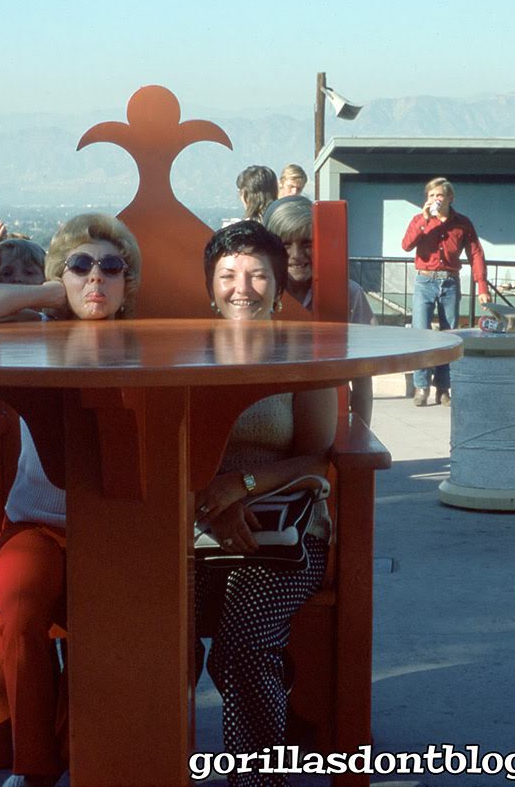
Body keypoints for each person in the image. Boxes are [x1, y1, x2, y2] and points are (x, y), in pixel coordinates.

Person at [0, 213, 142, 787]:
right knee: (20, 611)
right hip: (37, 523)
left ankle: (76, 751)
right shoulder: (35, 335)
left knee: (134, 624)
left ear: (128, 281)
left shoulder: (149, 342)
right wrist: (53, 291)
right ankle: (33, 767)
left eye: (111, 267)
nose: (96, 277)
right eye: (80, 266)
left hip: (118, 528)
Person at [194, 220, 337, 786]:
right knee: (150, 627)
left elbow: (316, 455)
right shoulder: (183, 355)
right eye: (228, 275)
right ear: (210, 287)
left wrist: (242, 485)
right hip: (195, 527)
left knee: (245, 643)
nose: (241, 288)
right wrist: (215, 502)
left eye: (257, 275)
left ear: (278, 288)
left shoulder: (303, 356)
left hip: (287, 534)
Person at [263, 195, 377, 424]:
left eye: (307, 243)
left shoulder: (349, 294)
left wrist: (361, 432)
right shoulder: (260, 294)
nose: (296, 255)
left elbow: (363, 376)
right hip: (272, 414)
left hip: (328, 416)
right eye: (286, 245)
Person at [400, 177, 491, 407]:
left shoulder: (462, 223)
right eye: (431, 195)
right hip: (425, 281)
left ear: (450, 198)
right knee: (421, 333)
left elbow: (476, 254)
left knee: (449, 335)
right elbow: (406, 245)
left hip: (450, 283)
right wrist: (424, 220)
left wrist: (482, 286)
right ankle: (421, 386)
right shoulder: (419, 220)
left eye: (439, 195)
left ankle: (443, 388)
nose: (435, 199)